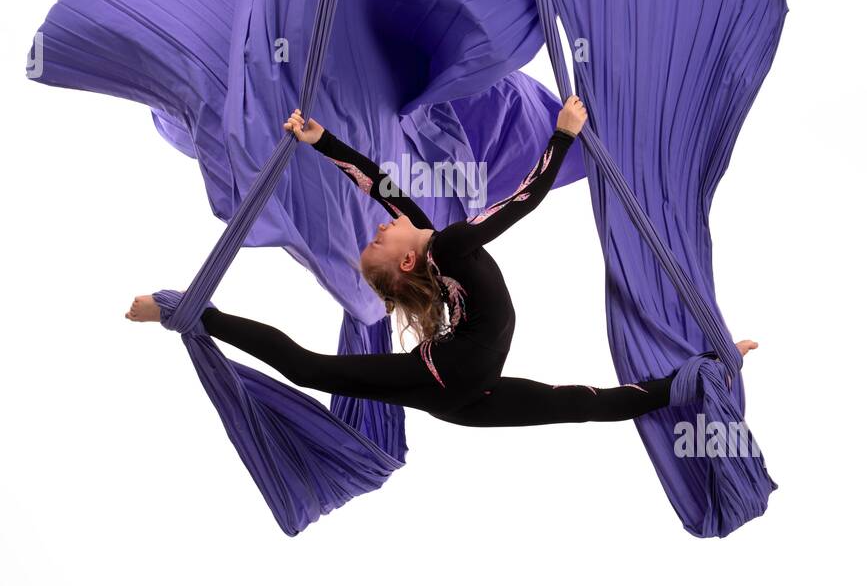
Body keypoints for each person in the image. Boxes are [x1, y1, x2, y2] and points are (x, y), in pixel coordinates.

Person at [126, 96, 756, 426]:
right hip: (456, 380)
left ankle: (695, 379)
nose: (381, 225)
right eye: (378, 241)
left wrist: (320, 141)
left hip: (460, 394)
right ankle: (186, 309)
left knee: (582, 403)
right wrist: (562, 135)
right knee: (582, 403)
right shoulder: (449, 246)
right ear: (405, 263)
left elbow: (377, 184)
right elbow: (522, 201)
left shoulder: (434, 251)